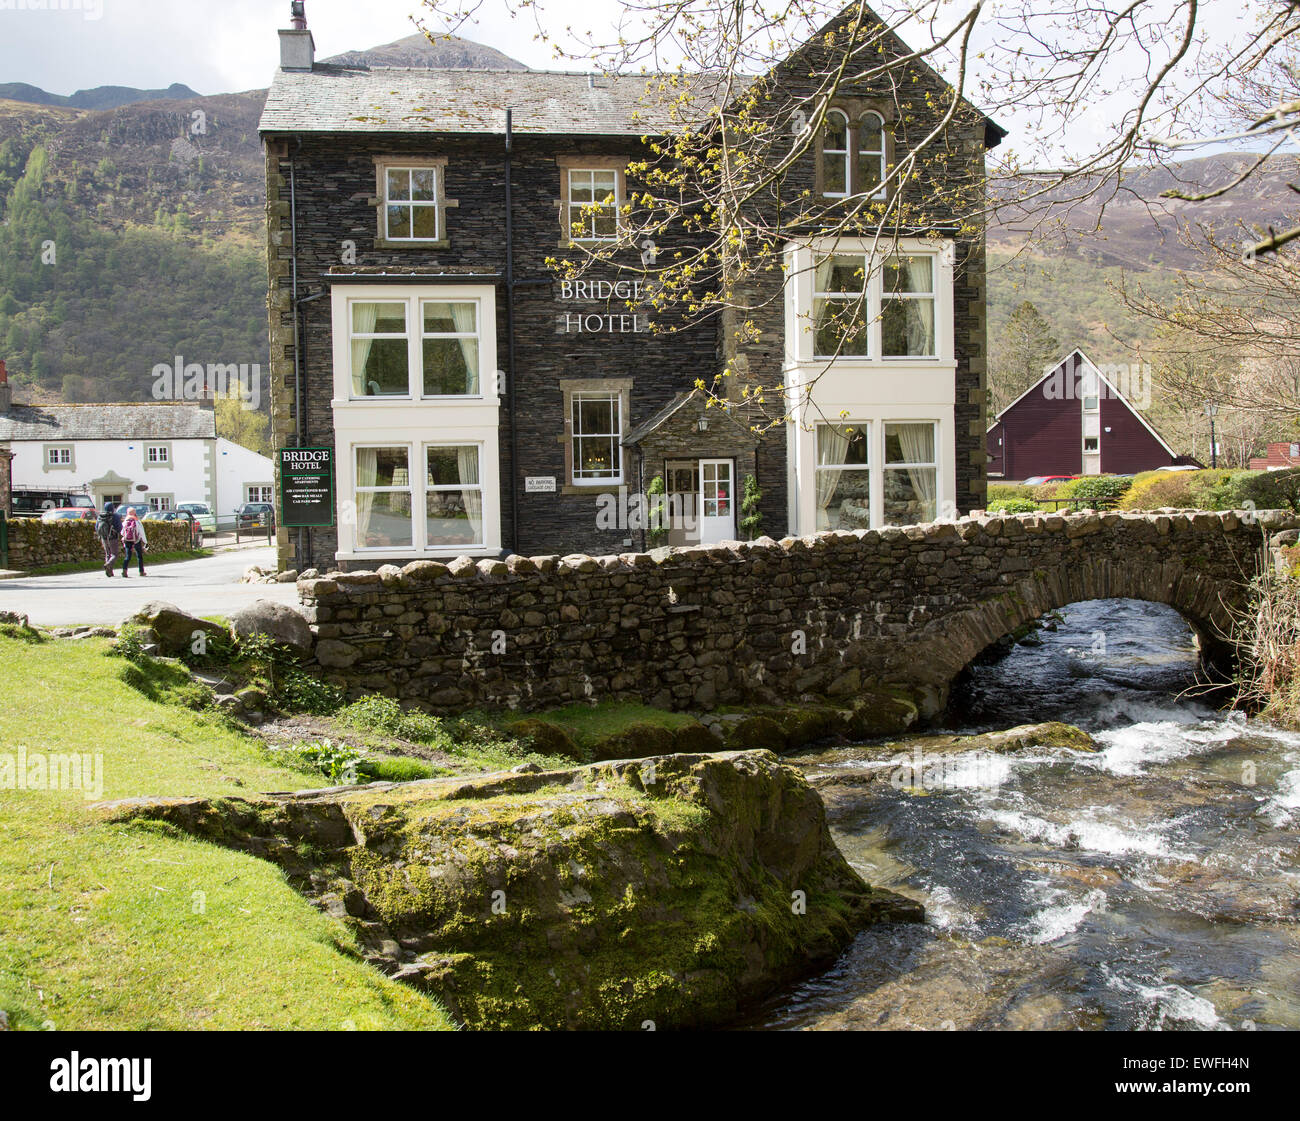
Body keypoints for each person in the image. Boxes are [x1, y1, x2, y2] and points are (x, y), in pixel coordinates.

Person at [95, 502, 122, 577]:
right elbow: (119, 527)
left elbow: (96, 527)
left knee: (108, 554)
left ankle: (109, 571)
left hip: (103, 537)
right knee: (114, 554)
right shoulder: (115, 516)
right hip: (113, 537)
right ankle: (108, 564)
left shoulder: (100, 516)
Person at [120, 509, 148, 578]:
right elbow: (141, 532)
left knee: (127, 556)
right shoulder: (137, 521)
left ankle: (124, 570)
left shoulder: (125, 522)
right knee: (139, 556)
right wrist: (145, 542)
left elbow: (121, 532)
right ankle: (141, 571)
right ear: (135, 513)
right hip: (136, 540)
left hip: (127, 540)